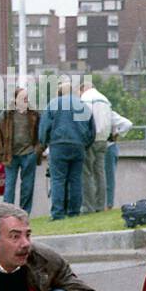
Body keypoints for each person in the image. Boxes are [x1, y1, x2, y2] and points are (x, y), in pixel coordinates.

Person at [38, 79, 95, 220]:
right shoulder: (83, 106)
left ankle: (58, 213)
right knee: (75, 179)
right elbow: (92, 130)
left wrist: (45, 143)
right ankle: (74, 211)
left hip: (58, 145)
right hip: (78, 146)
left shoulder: (53, 104)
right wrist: (84, 145)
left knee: (57, 179)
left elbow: (44, 127)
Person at [0, 87, 40, 214]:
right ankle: (7, 214)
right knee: (9, 186)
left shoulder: (34, 114)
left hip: (29, 154)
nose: (26, 99)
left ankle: (24, 213)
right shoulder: (6, 115)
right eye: (23, 97)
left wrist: (37, 151)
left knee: (28, 186)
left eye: (27, 97)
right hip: (10, 155)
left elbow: (40, 133)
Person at [80, 80, 119, 214]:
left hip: (90, 140)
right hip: (103, 140)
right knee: (100, 173)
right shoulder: (105, 100)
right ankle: (100, 205)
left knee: (87, 173)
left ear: (83, 89)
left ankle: (88, 206)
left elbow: (82, 121)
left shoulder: (85, 99)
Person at [105, 112, 134, 210]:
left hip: (108, 146)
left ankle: (108, 204)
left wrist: (116, 134)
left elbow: (127, 124)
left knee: (109, 178)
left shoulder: (109, 114)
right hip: (108, 147)